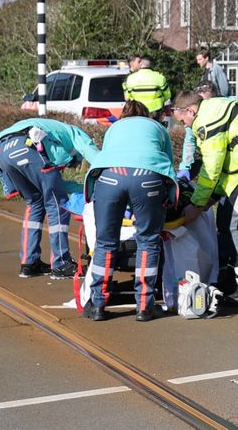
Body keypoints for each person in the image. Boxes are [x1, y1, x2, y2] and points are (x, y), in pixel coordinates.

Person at [82, 100, 177, 322]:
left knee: (105, 242)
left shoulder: (114, 128)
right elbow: (168, 164)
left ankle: (97, 304)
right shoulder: (158, 128)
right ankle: (144, 305)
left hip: (110, 178)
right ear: (146, 115)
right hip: (148, 178)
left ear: (124, 115)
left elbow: (108, 155)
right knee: (148, 241)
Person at [173, 90, 238, 305]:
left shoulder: (205, 121)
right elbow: (225, 165)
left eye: (183, 121)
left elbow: (212, 167)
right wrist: (211, 198)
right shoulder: (214, 107)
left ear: (190, 110)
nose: (186, 126)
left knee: (233, 224)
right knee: (227, 221)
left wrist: (197, 204)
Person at [0, 118, 100, 280]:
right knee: (58, 205)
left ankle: (29, 263)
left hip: (1, 152)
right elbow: (96, 159)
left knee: (35, 203)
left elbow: (54, 182)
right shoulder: (75, 133)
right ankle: (61, 263)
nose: (72, 165)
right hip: (28, 146)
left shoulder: (54, 131)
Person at [122, 54, 171, 119]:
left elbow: (127, 97)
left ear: (141, 64)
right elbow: (167, 95)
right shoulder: (160, 77)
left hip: (138, 111)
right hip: (155, 111)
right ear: (151, 65)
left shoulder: (131, 78)